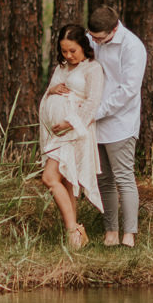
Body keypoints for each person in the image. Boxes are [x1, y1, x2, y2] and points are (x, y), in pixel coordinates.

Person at [52, 5, 146, 247]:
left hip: (120, 121)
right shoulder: (93, 39)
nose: (93, 42)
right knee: (103, 178)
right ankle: (111, 232)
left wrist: (95, 112)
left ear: (114, 29)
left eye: (98, 38)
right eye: (91, 38)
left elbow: (128, 90)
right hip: (92, 122)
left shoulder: (132, 48)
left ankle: (129, 235)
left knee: (124, 177)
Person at [38, 26, 105, 249]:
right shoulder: (62, 67)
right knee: (65, 181)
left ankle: (73, 231)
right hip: (58, 134)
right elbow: (51, 90)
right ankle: (76, 236)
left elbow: (93, 102)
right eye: (64, 51)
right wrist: (52, 89)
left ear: (84, 47)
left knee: (49, 177)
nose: (68, 55)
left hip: (75, 132)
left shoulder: (93, 69)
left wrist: (70, 122)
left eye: (72, 50)